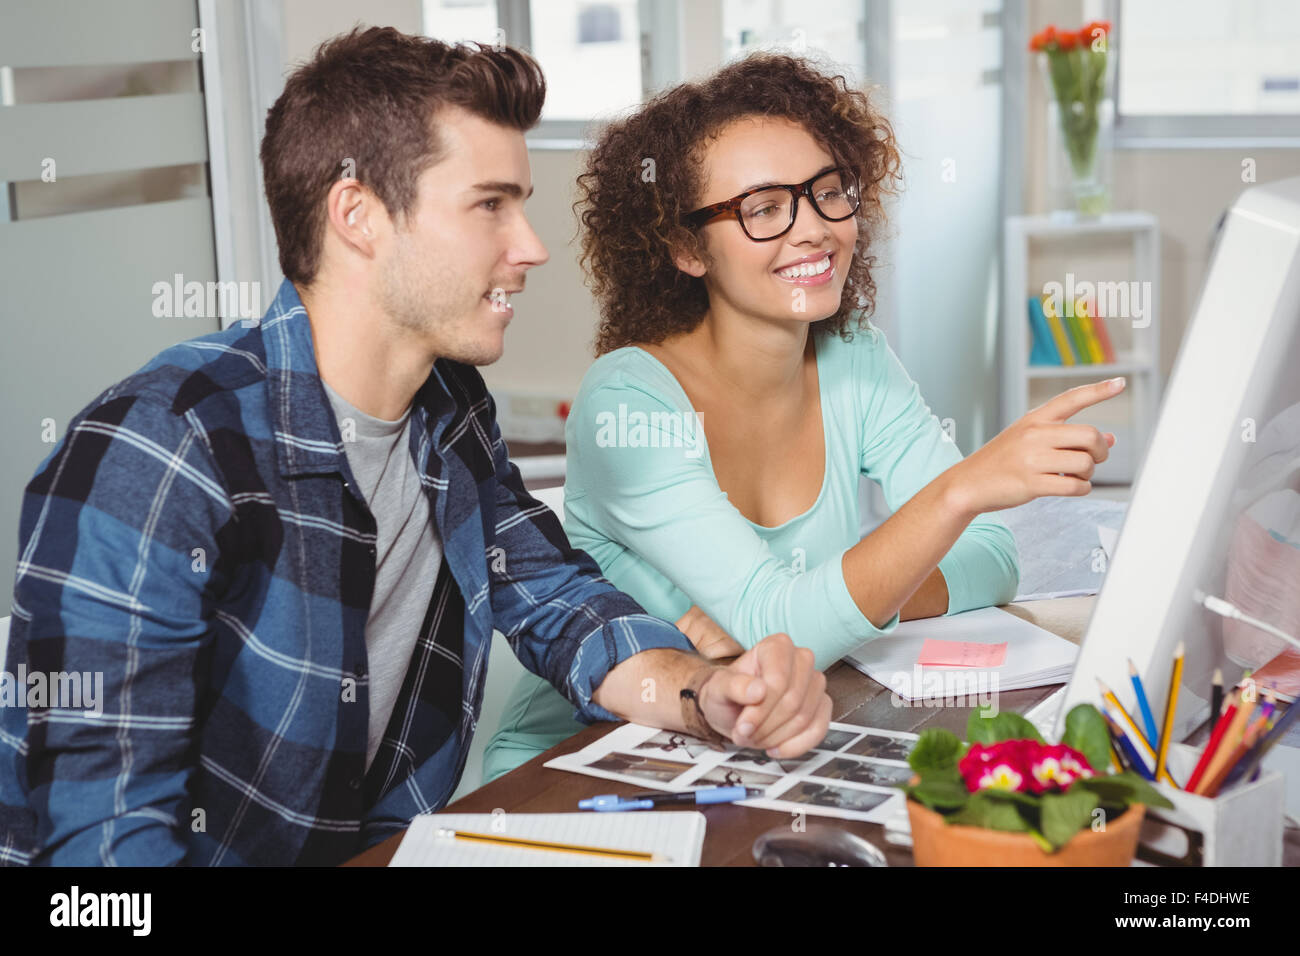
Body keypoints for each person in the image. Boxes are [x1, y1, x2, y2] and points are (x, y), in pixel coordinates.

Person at [0, 28, 830, 867]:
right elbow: (99, 857)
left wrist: (702, 696)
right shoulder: (157, 451)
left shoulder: (448, 407)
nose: (532, 246)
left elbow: (555, 599)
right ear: (358, 215)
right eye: (490, 204)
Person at [484, 52, 1123, 779]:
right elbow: (789, 623)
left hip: (758, 746)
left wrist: (812, 609)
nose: (814, 228)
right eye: (763, 208)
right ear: (686, 246)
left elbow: (993, 561)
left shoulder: (854, 358)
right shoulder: (629, 401)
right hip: (585, 763)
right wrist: (957, 492)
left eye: (827, 192)